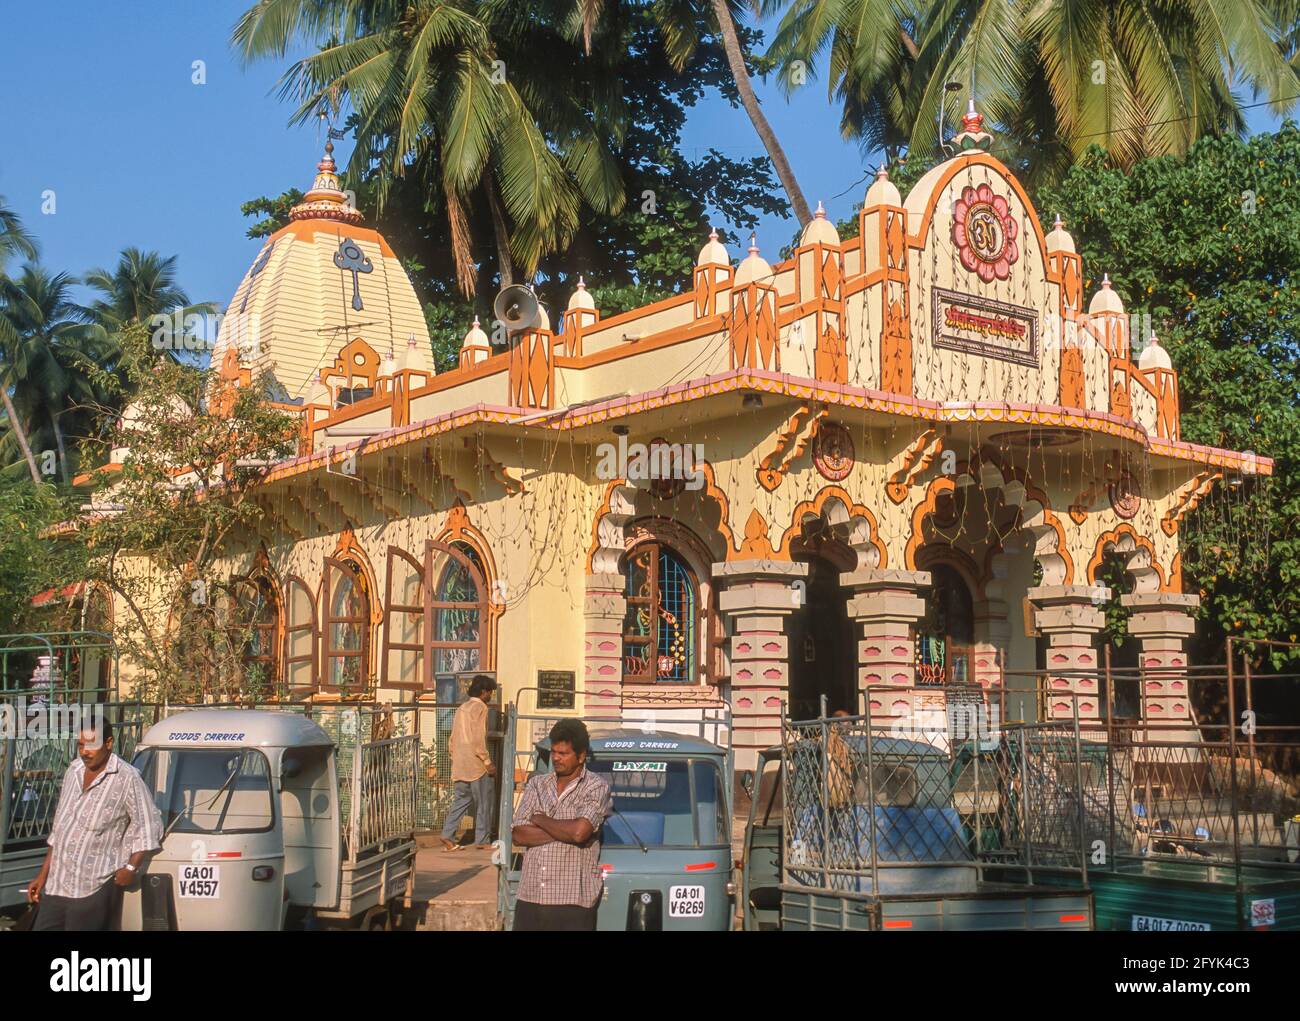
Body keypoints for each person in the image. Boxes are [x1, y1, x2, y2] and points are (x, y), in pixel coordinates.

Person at [26, 725, 162, 931]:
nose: (84, 752)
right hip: (57, 884)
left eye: (91, 745)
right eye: (80, 745)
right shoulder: (74, 770)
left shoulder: (127, 777)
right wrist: (42, 875)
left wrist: (131, 868)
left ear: (108, 743)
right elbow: (60, 829)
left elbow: (149, 824)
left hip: (93, 886)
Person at [510, 718, 612, 931]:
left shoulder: (595, 787)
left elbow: (578, 833)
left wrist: (539, 819)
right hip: (531, 896)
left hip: (572, 901)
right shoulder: (537, 785)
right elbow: (519, 834)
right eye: (554, 752)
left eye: (563, 753)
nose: (556, 758)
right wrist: (569, 829)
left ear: (581, 755)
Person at [440, 674, 498, 851]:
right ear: (483, 692)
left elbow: (452, 739)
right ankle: (482, 840)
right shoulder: (480, 708)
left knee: (461, 801)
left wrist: (454, 756)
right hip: (476, 764)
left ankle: (447, 835)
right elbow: (478, 738)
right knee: (484, 803)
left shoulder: (462, 708)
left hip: (459, 761)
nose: (490, 696)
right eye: (490, 692)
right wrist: (487, 761)